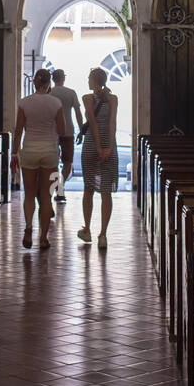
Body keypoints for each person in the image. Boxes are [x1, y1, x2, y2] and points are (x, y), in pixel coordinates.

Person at [11, 67, 66, 251]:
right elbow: (62, 129)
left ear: (34, 82)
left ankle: (28, 227)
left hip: (30, 151)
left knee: (29, 194)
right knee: (45, 196)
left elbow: (18, 131)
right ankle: (43, 238)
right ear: (48, 83)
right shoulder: (56, 103)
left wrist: (13, 154)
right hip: (49, 151)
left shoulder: (24, 103)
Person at [77, 66, 118, 250]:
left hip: (92, 145)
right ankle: (103, 234)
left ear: (94, 81)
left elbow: (92, 123)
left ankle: (87, 230)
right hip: (109, 145)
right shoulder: (113, 98)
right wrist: (108, 147)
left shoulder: (87, 98)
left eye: (89, 78)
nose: (87, 81)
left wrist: (99, 147)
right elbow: (112, 123)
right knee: (106, 191)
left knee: (89, 188)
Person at [49, 68, 83, 203]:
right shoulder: (70, 93)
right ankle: (61, 185)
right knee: (68, 161)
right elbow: (78, 112)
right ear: (63, 78)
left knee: (53, 162)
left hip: (52, 131)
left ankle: (57, 187)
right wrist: (81, 130)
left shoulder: (48, 93)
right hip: (68, 130)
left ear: (53, 79)